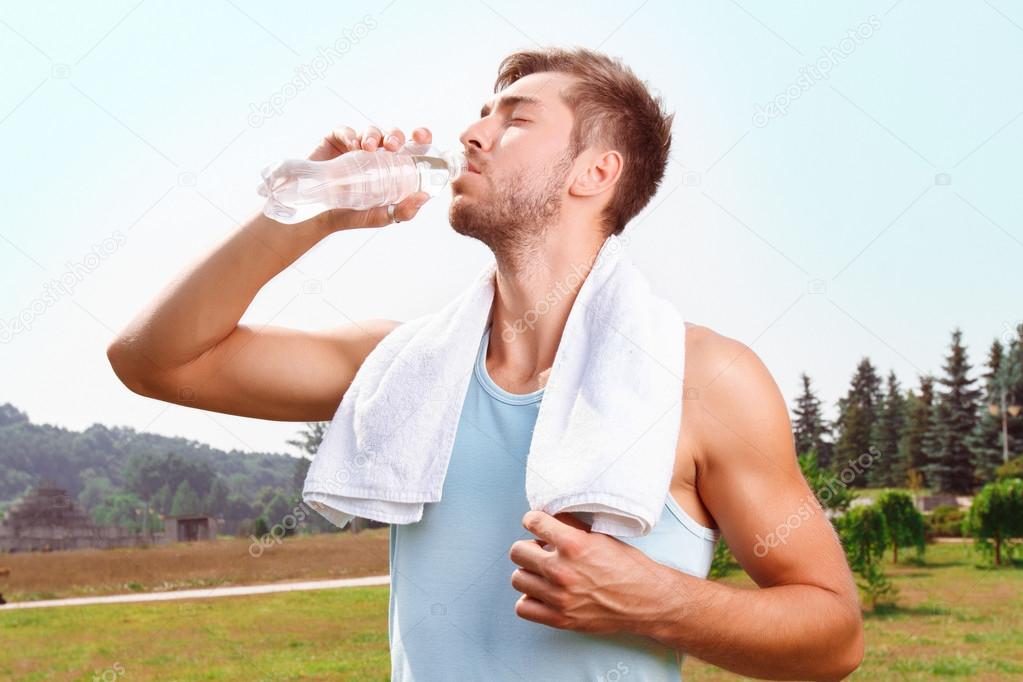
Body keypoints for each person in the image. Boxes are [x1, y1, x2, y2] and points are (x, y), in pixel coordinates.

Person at [107, 46, 864, 680]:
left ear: (594, 173)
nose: (471, 133)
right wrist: (309, 214)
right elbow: (156, 361)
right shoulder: (398, 367)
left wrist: (661, 602)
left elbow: (833, 634)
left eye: (514, 119)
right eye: (482, 112)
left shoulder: (701, 381)